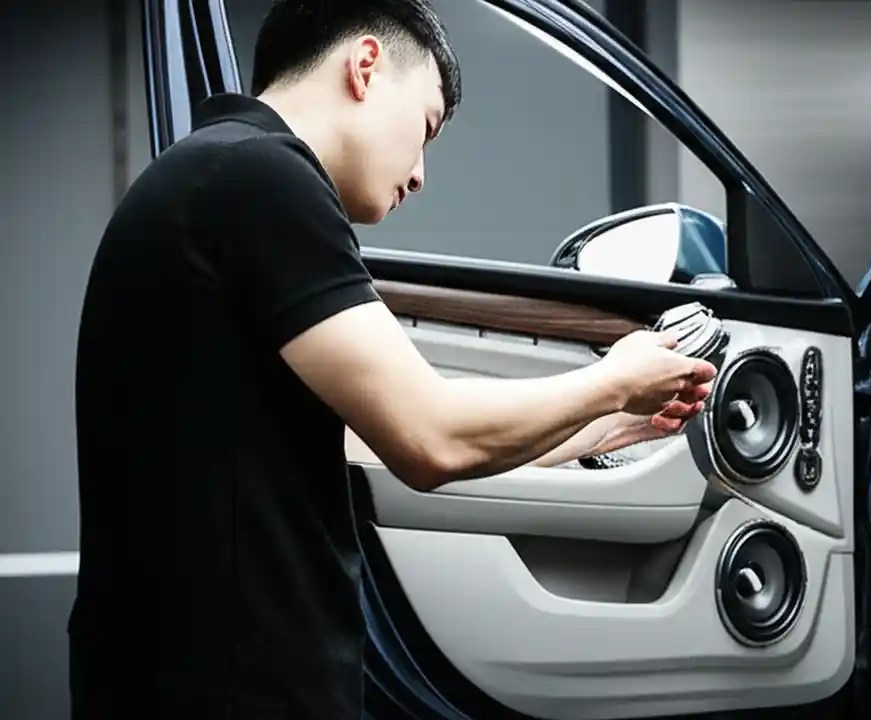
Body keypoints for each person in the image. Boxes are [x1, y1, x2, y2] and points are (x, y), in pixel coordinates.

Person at [68, 0, 717, 717]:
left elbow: (362, 440)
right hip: (231, 685)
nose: (419, 175)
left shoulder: (220, 176)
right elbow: (428, 437)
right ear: (367, 66)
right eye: (427, 129)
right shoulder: (263, 180)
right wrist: (614, 376)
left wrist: (599, 428)